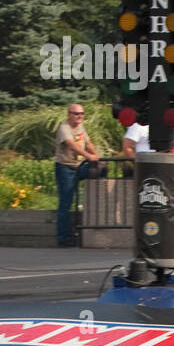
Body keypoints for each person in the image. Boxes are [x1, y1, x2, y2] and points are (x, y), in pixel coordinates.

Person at [54, 104, 99, 247]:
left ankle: (95, 206)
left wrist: (96, 156)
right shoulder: (64, 128)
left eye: (82, 114)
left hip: (78, 167)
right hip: (65, 168)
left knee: (101, 170)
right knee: (66, 203)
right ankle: (64, 238)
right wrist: (88, 156)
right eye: (76, 114)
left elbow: (87, 142)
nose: (79, 116)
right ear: (69, 114)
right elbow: (71, 144)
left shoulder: (80, 127)